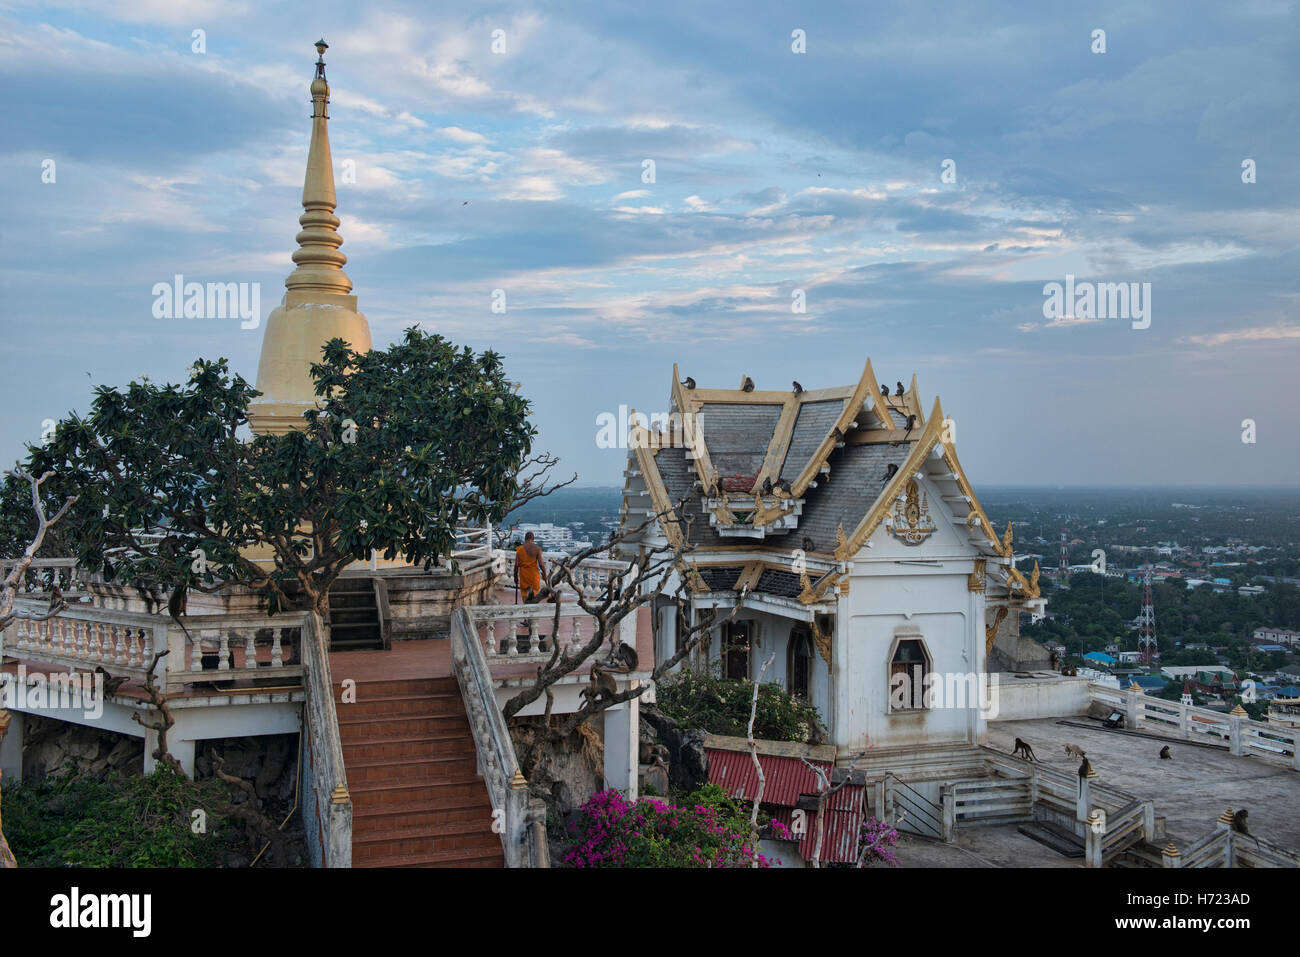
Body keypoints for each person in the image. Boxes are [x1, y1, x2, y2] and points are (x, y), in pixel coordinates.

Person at [514, 532, 546, 603]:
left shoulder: (519, 549)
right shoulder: (537, 549)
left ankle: (526, 606)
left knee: (525, 594)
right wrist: (545, 574)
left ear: (525, 539)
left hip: (524, 576)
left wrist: (515, 577)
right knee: (535, 595)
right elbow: (541, 564)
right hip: (534, 576)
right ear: (533, 539)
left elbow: (516, 565)